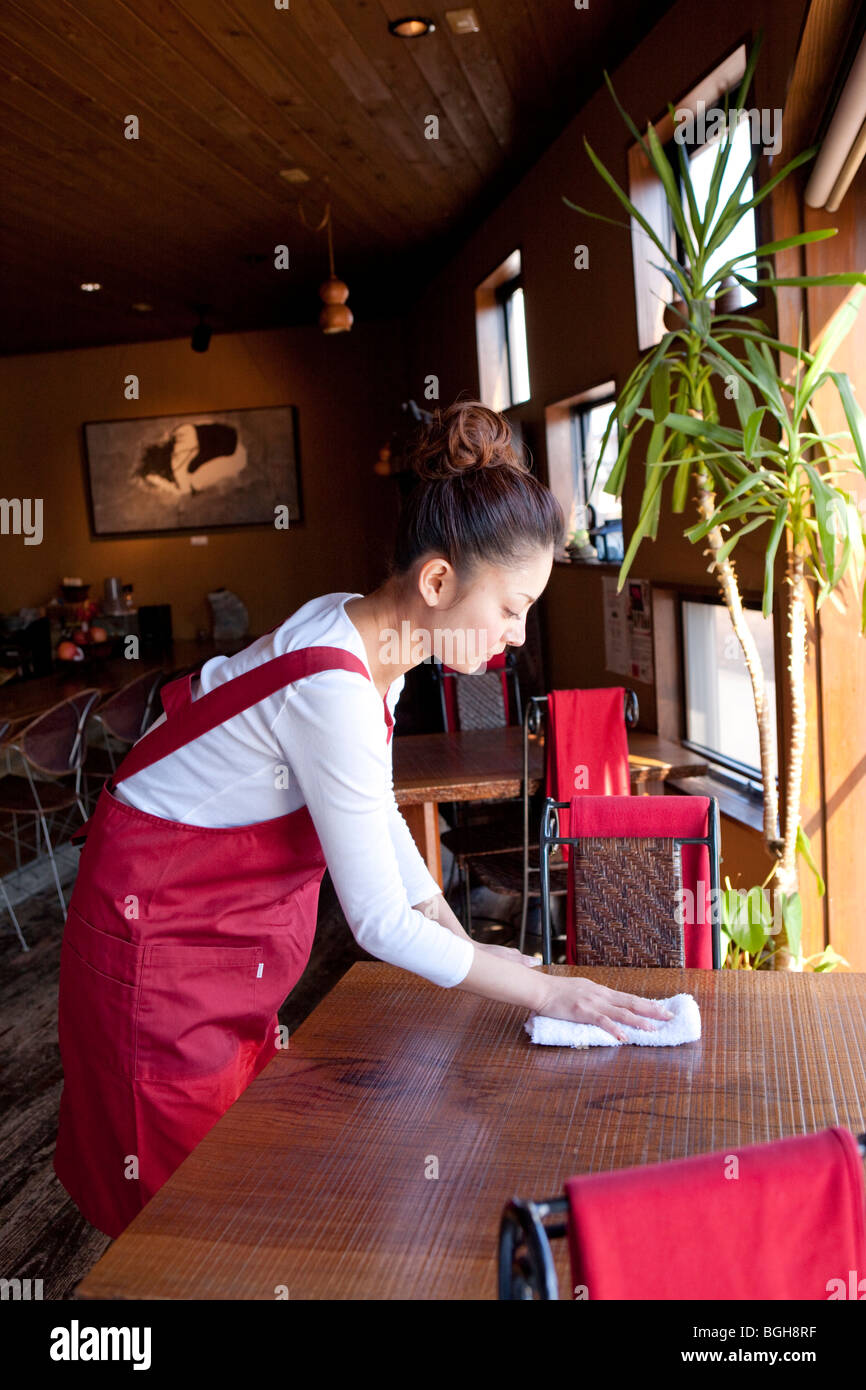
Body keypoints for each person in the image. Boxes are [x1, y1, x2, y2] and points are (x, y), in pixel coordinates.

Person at [53, 398, 672, 1239]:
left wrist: (458, 932)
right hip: (155, 943)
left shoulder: (366, 632)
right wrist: (541, 988)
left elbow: (373, 809)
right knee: (179, 1217)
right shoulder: (338, 686)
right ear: (438, 582)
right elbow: (377, 922)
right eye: (510, 607)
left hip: (212, 939)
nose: (516, 637)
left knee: (237, 1176)